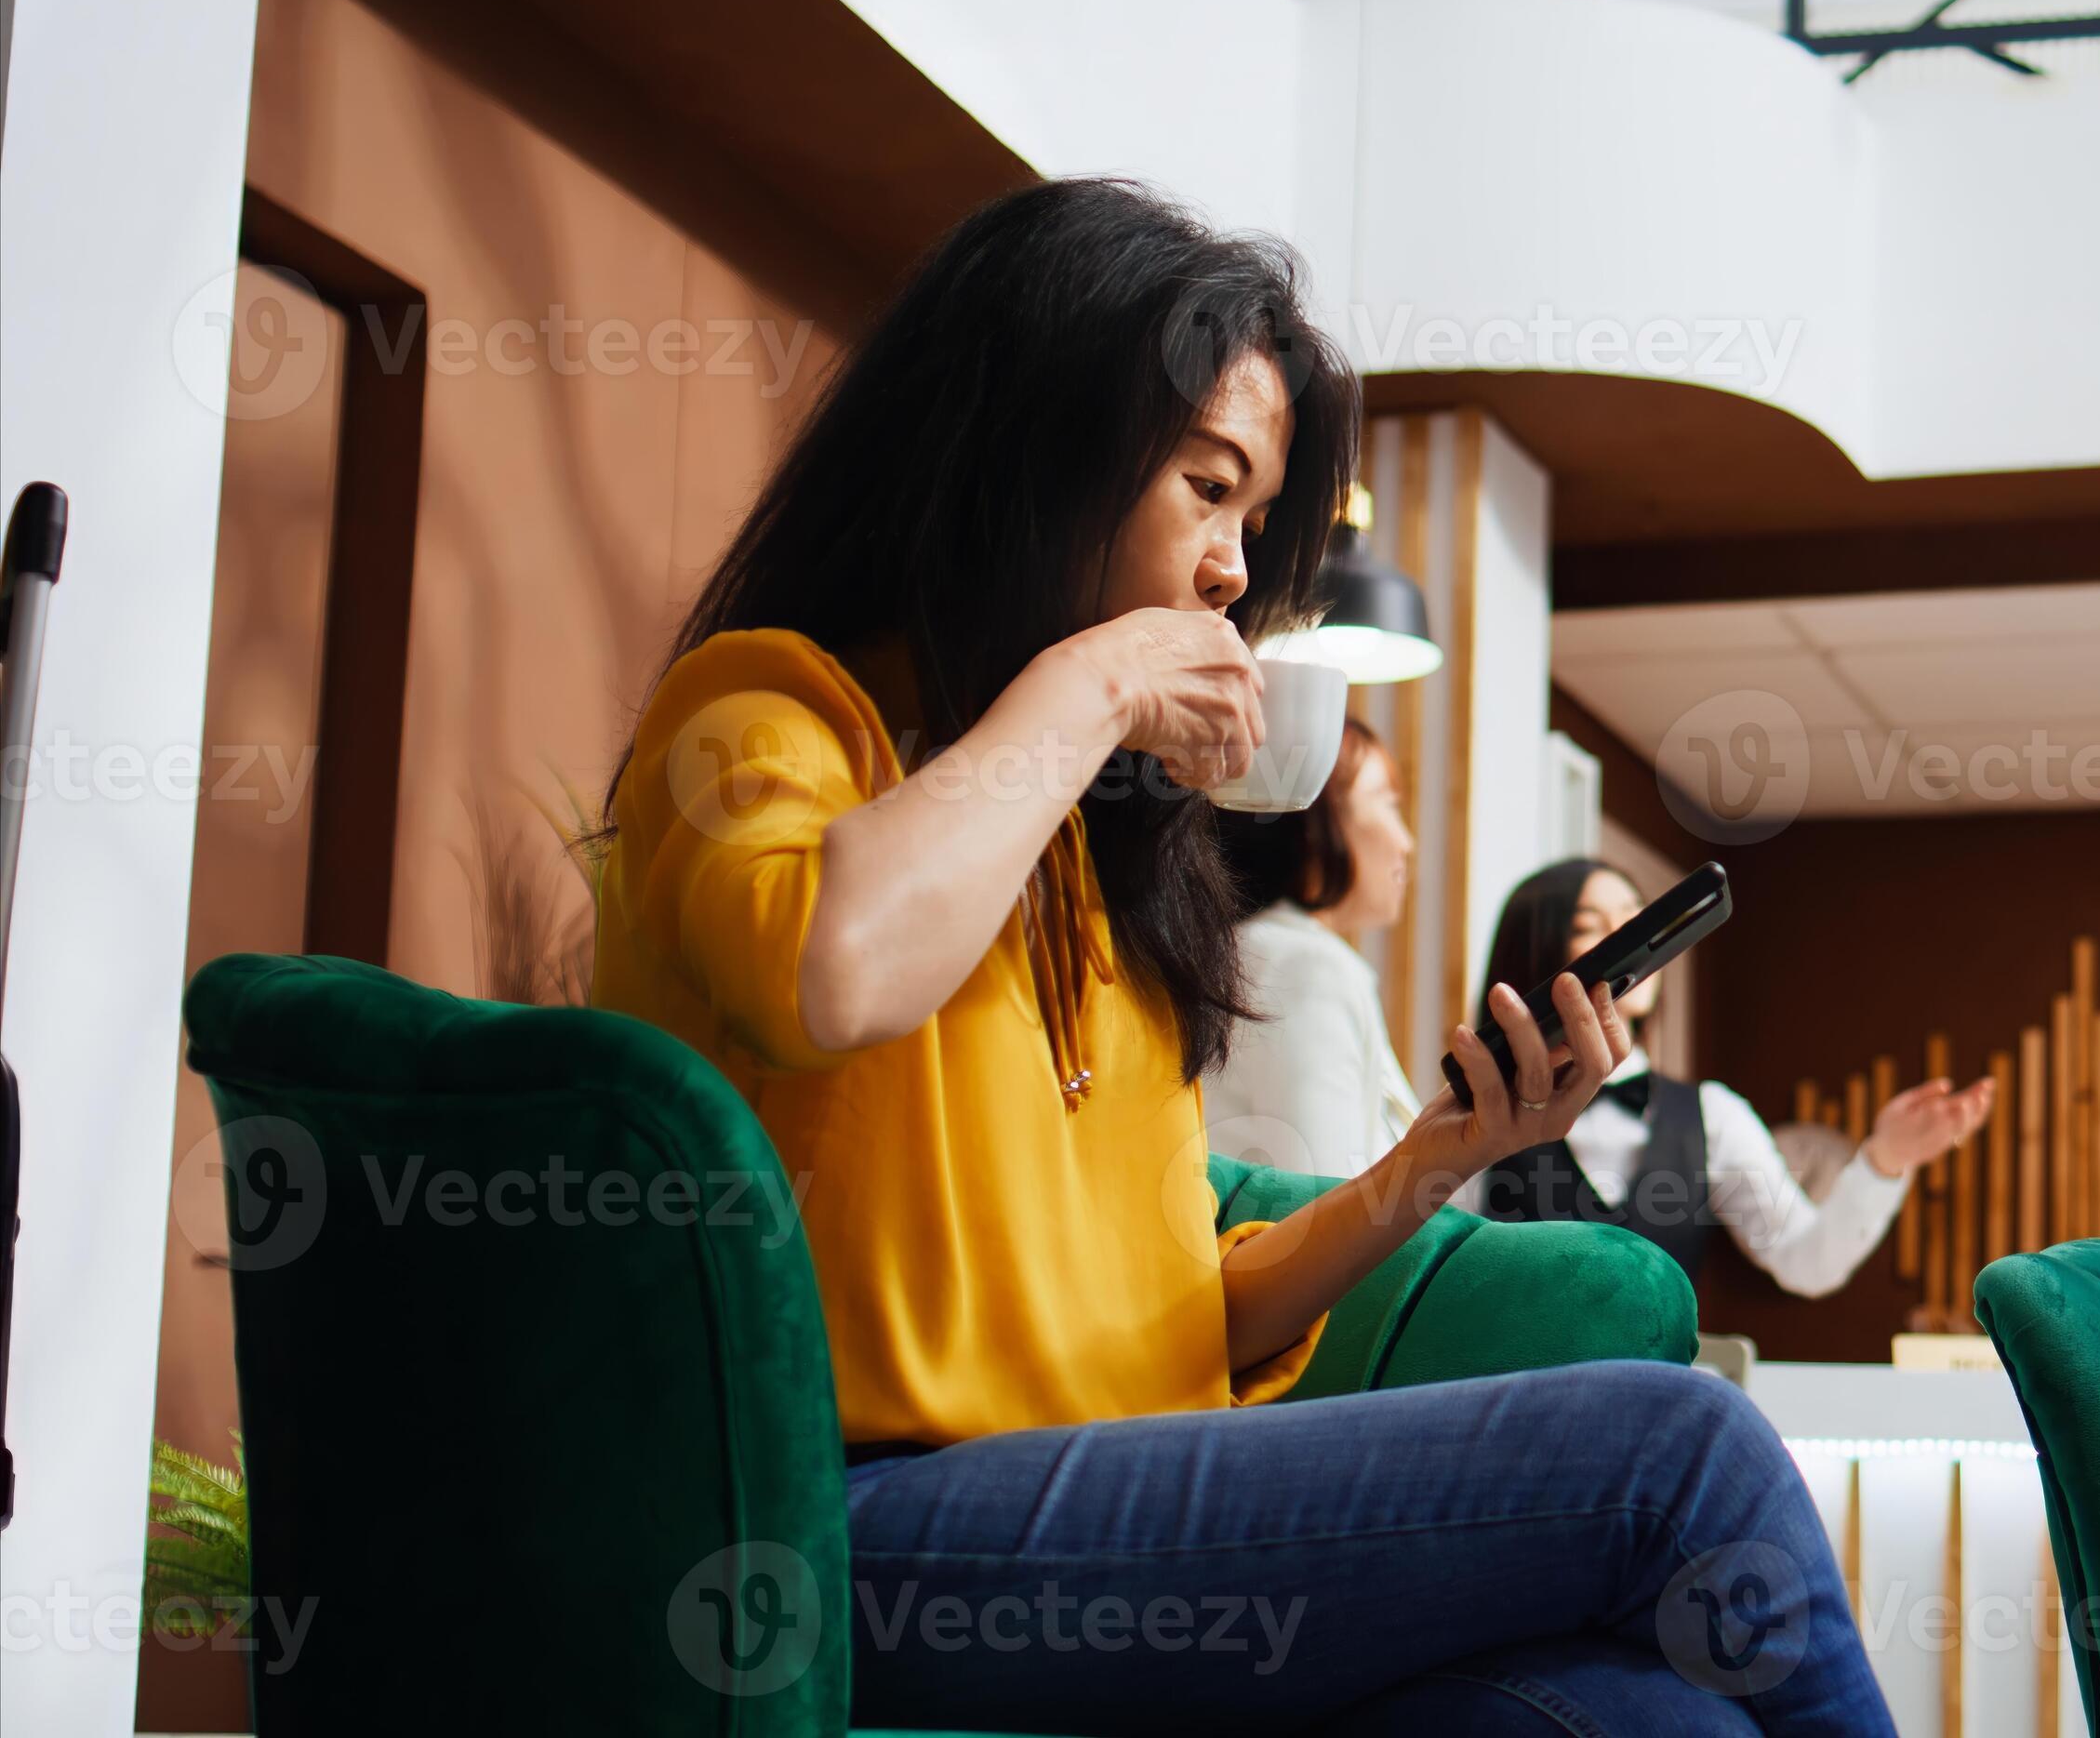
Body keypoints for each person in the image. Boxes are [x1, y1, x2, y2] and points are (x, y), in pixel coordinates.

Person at [591, 179, 1888, 1735]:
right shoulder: (761, 719)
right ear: (1038, 446)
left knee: (1636, 1716)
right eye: (1207, 491)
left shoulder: (1081, 872)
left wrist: (1441, 1153)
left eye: (1252, 524)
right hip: (842, 1533)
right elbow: (836, 968)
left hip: (1096, 1522)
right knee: (1681, 1451)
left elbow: (1186, 1314)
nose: (1228, 571)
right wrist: (1097, 686)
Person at [1464, 858, 1992, 1294]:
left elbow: (1805, 1261)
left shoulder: (1712, 1114)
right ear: (1534, 954)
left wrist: (1885, 1160)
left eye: (1634, 920)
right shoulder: (1478, 1116)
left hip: (1660, 1388)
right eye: (1589, 927)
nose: (1626, 940)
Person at [1208, 715, 1417, 1178]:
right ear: (1314, 820)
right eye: (1387, 804)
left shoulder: (1261, 953)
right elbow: (1323, 1195)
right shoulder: (1303, 969)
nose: (1406, 841)